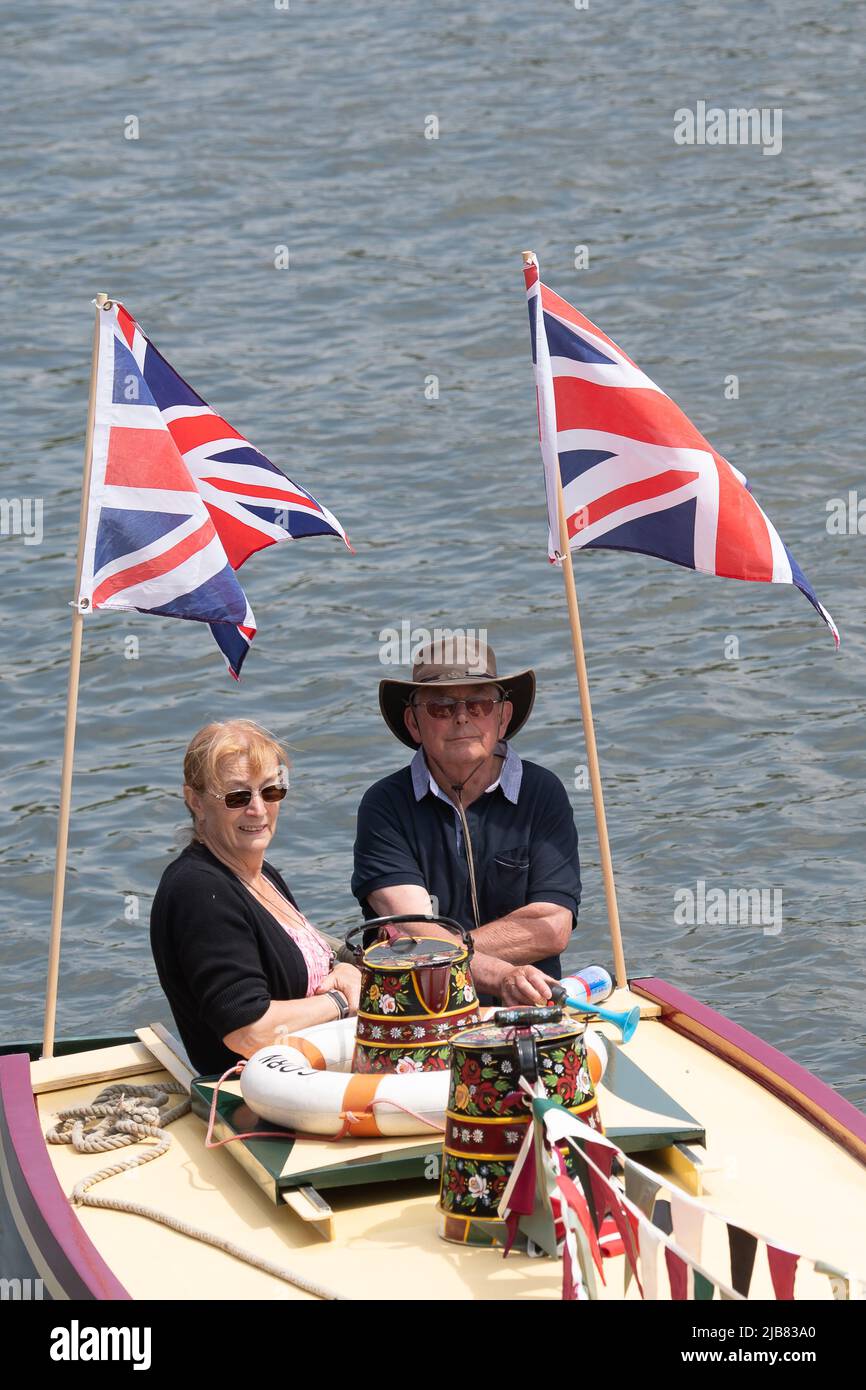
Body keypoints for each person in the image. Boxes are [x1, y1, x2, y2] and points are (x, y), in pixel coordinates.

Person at [351, 635, 582, 1005]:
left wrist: (450, 949)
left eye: (480, 704)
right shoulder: (384, 807)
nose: (462, 716)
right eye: (441, 707)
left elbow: (552, 928)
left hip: (529, 1010)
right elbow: (417, 932)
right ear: (414, 723)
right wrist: (503, 973)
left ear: (503, 717)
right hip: (420, 1018)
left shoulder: (543, 793)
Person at [150, 719, 361, 1075]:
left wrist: (343, 969)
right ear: (195, 801)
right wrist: (340, 1002)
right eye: (237, 796)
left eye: (270, 791)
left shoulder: (259, 874)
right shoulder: (199, 891)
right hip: (257, 1101)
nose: (258, 809)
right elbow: (248, 1030)